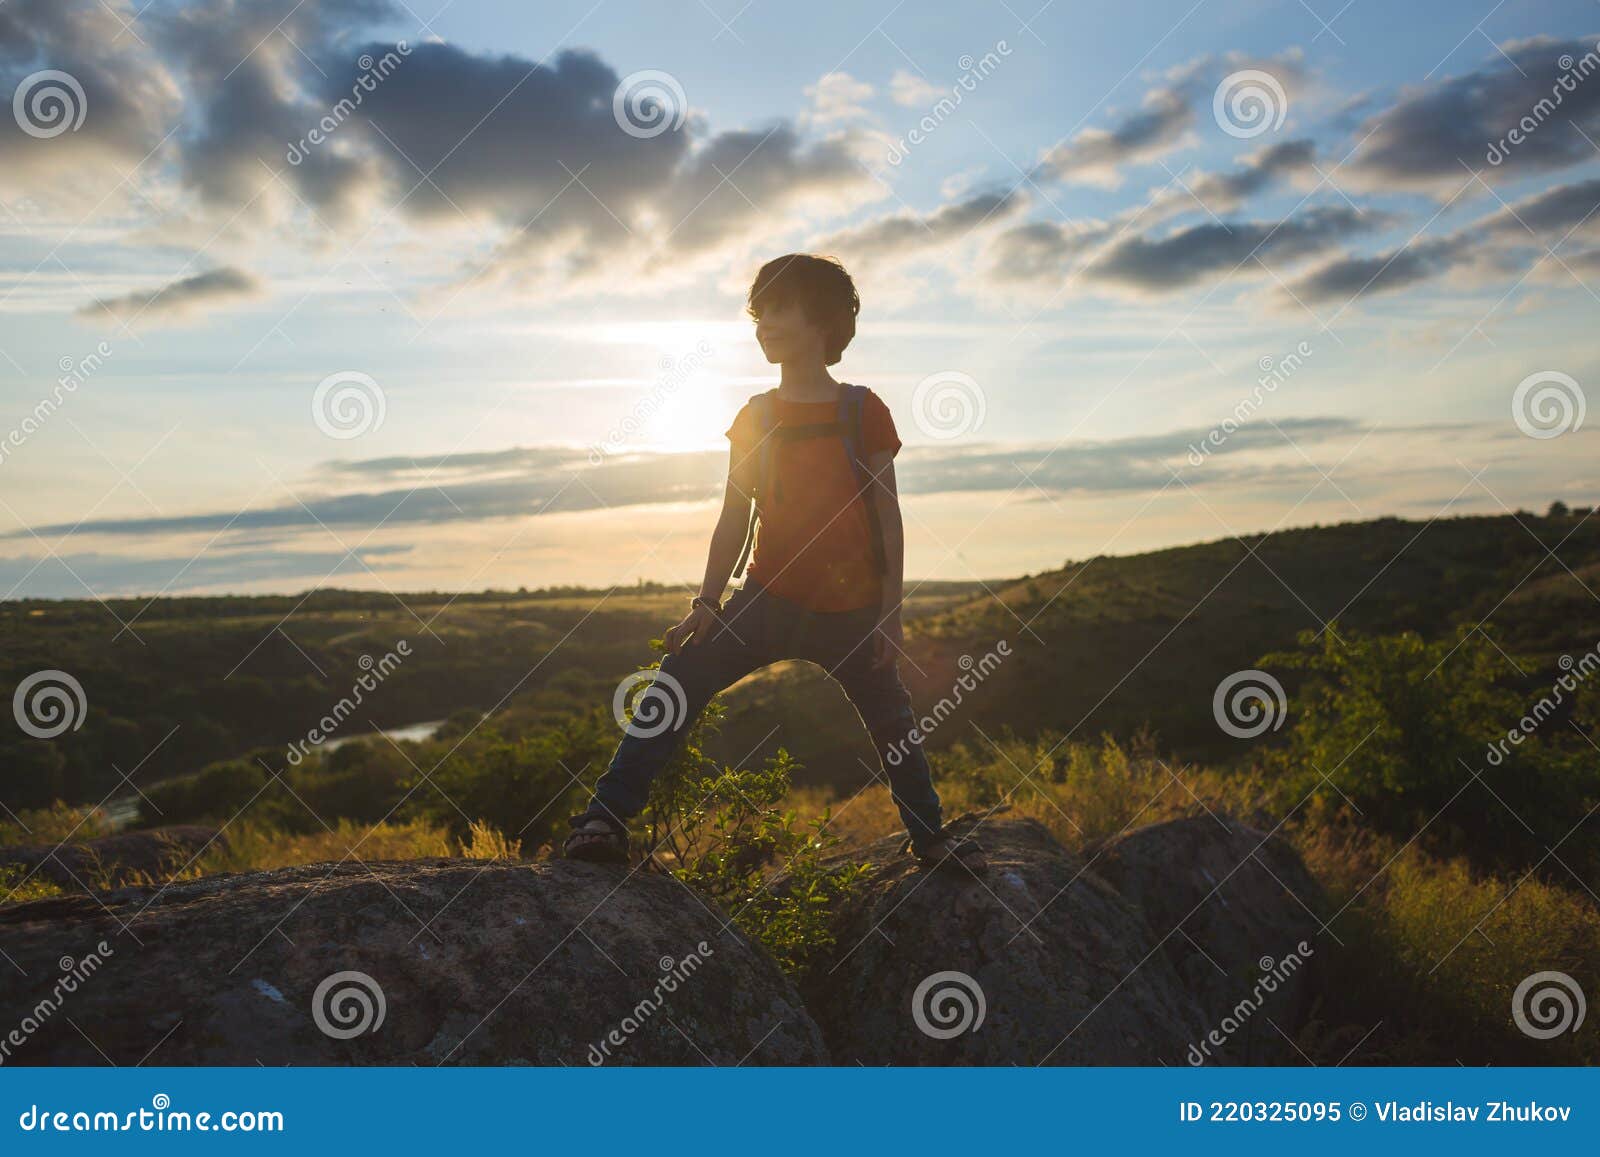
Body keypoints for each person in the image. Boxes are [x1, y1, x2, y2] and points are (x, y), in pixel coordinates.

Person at [564, 254, 983, 873]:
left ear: (822, 320)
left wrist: (891, 616)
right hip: (765, 600)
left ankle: (930, 839)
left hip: (853, 611)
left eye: (778, 309)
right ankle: (603, 820)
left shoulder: (862, 410)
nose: (763, 324)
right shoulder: (755, 417)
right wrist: (706, 604)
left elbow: (888, 518)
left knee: (893, 722)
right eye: (758, 313)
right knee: (677, 680)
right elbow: (735, 515)